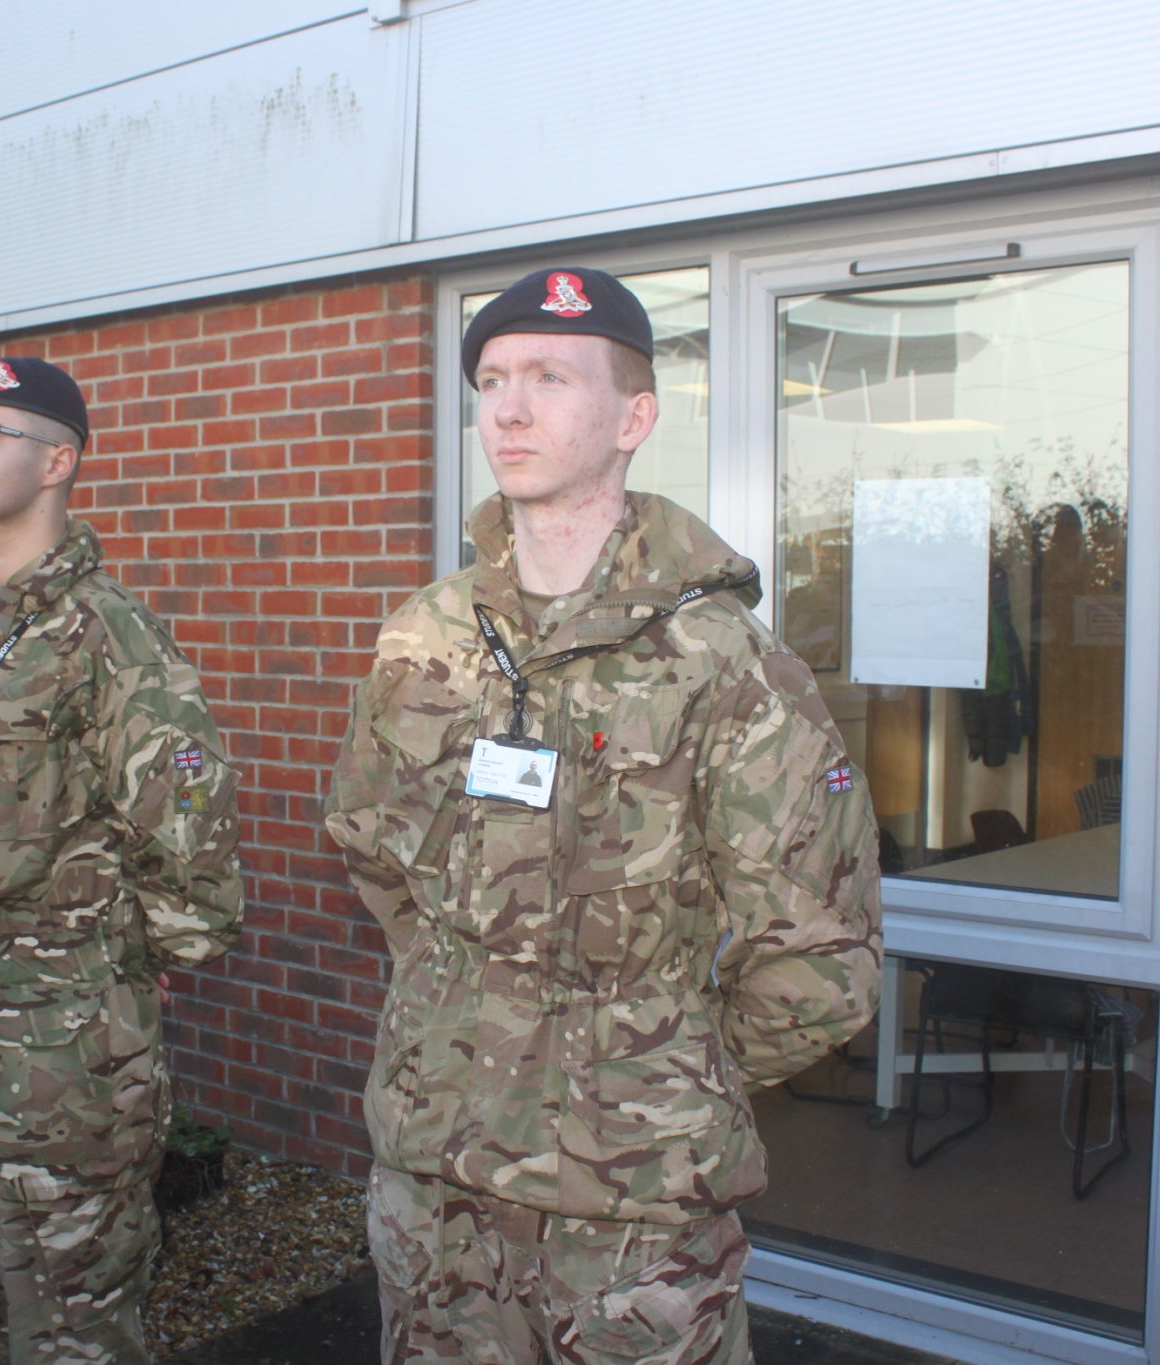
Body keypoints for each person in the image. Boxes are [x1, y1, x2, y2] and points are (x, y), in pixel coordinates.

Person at [327, 267, 884, 1365]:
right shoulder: (424, 639)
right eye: (490, 379)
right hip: (437, 1189)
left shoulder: (722, 661)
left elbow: (817, 956)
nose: (508, 408)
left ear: (634, 418)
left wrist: (655, 1063)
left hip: (631, 1218)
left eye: (547, 377)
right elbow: (369, 849)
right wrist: (471, 1014)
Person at [0, 355, 244, 1363]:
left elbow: (193, 839)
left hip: (57, 1081)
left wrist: (90, 977)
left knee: (70, 1339)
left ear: (57, 461)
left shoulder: (110, 642)